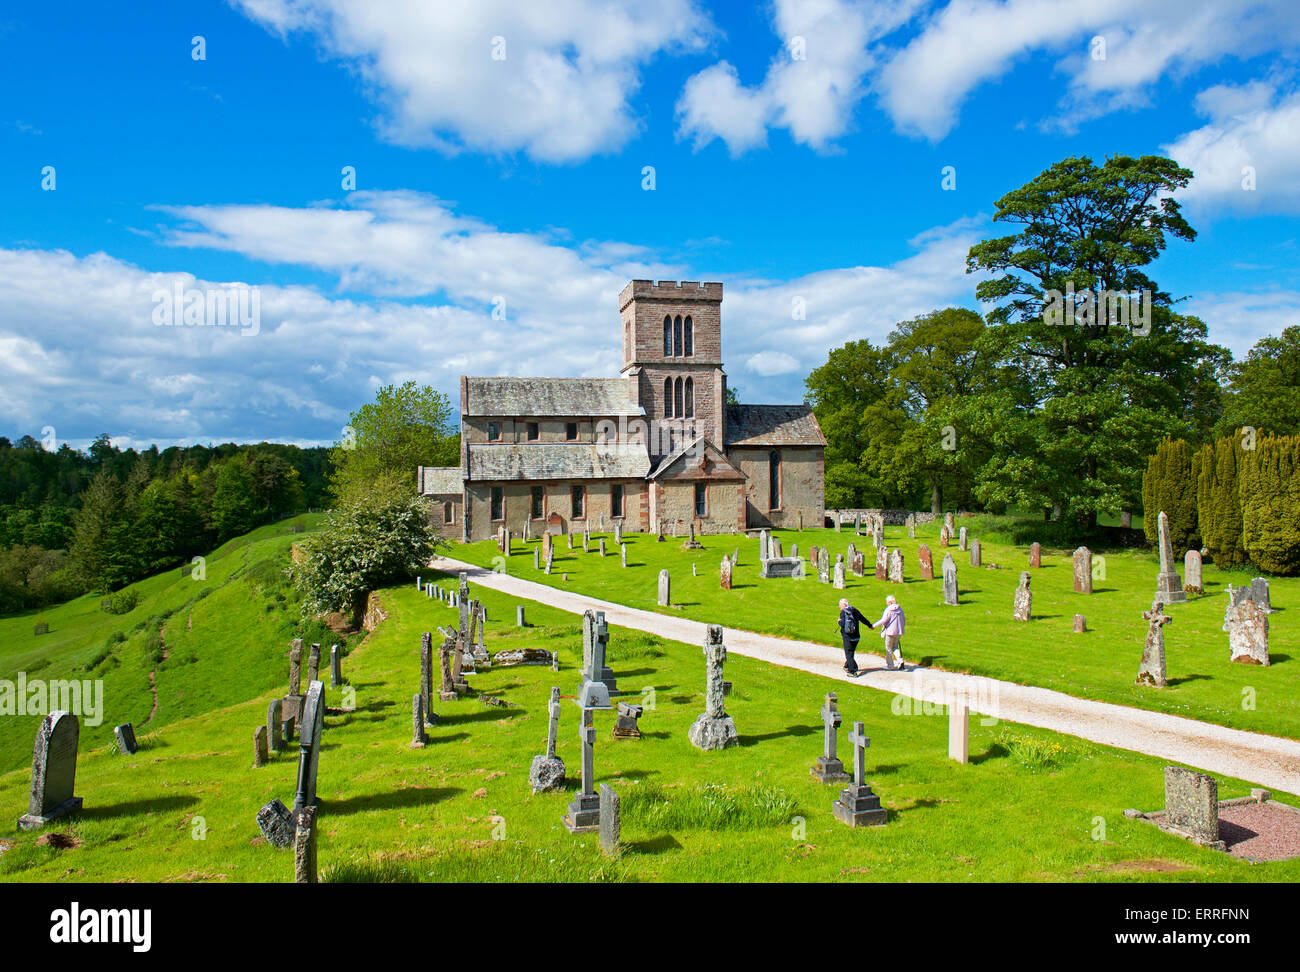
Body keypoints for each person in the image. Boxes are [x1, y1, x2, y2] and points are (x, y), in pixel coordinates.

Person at [837, 598, 872, 677]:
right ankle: (847, 666)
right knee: (851, 652)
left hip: (848, 637)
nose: (839, 607)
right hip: (856, 636)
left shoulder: (843, 612)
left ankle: (852, 671)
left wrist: (839, 621)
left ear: (844, 605)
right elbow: (863, 619)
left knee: (848, 654)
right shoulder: (855, 610)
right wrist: (870, 625)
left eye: (840, 605)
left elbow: (843, 624)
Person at [874, 595, 906, 670]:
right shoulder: (900, 609)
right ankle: (900, 660)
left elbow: (883, 620)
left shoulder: (888, 610)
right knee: (895, 646)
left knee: (888, 648)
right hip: (899, 631)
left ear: (890, 602)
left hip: (890, 632)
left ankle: (890, 665)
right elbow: (903, 619)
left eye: (887, 602)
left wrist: (874, 626)